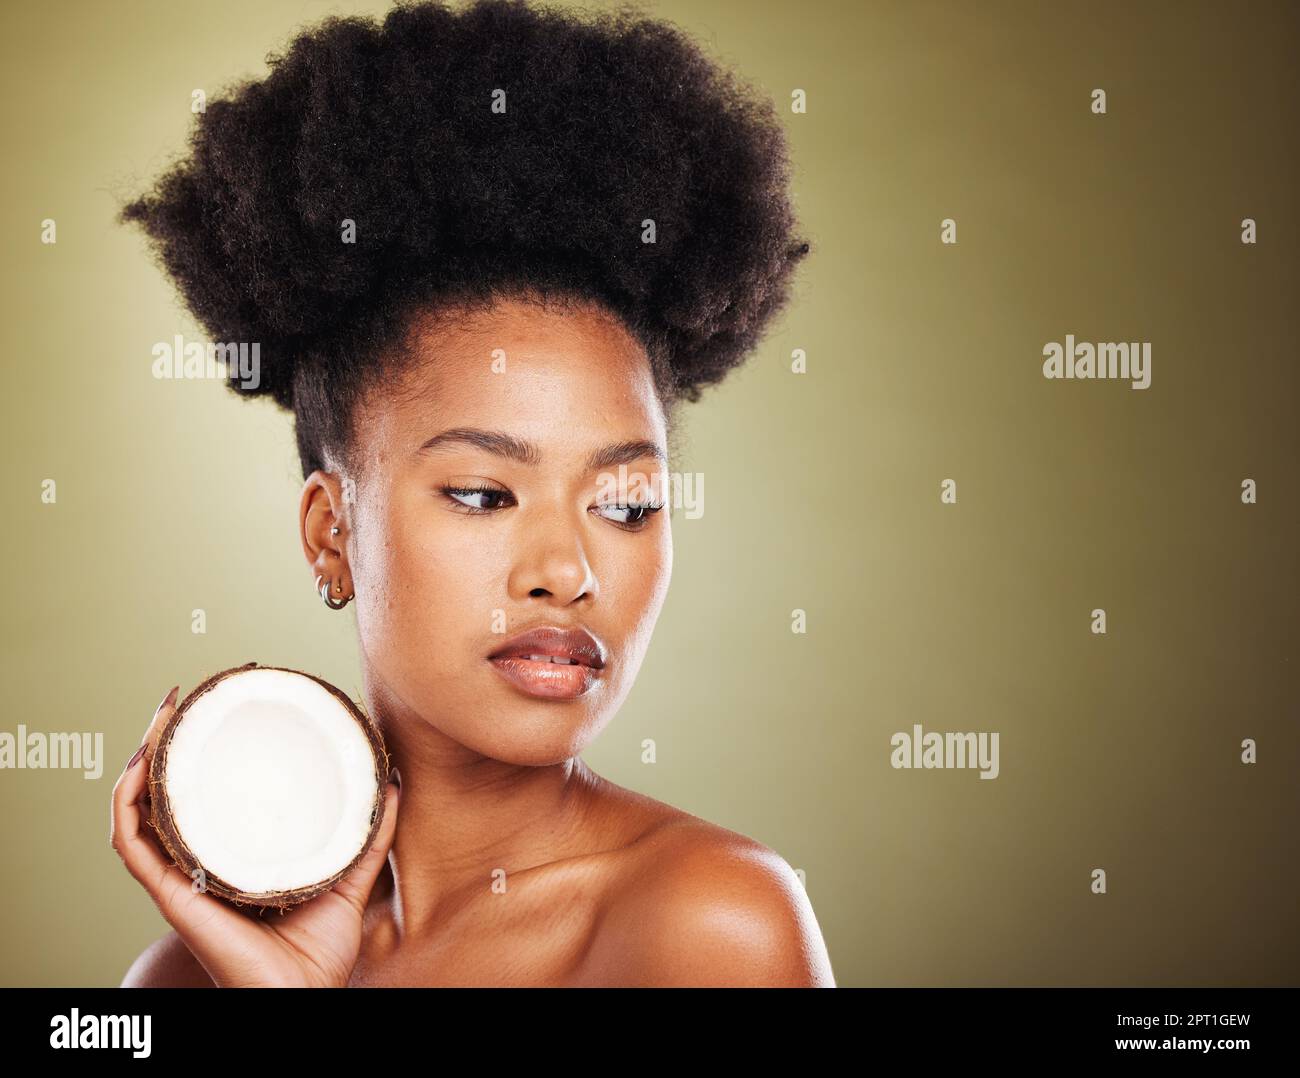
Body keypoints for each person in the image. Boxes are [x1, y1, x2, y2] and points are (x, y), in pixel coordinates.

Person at [109, 0, 832, 987]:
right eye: (487, 494)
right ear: (331, 531)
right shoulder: (187, 980)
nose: (565, 572)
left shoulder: (709, 922)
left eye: (624, 503)